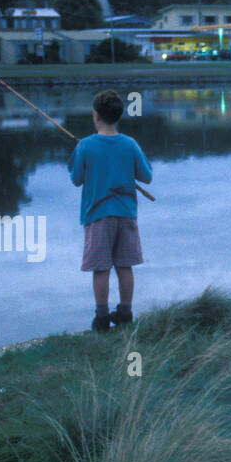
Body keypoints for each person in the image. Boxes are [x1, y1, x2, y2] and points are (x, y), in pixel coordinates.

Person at [68, 89, 152, 332]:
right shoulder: (130, 144)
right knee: (125, 265)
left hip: (97, 217)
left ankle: (102, 317)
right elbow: (146, 176)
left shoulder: (85, 145)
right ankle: (125, 313)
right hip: (126, 214)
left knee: (101, 268)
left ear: (95, 116)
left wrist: (79, 156)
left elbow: (76, 179)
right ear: (119, 117)